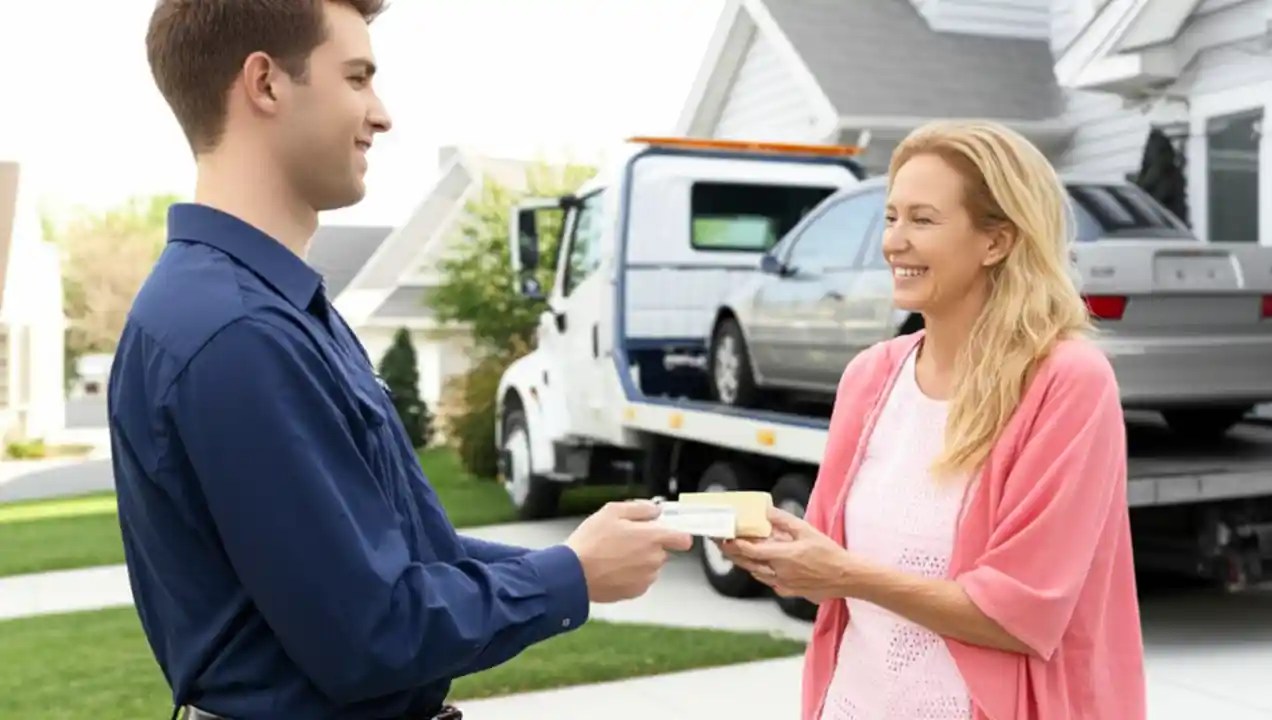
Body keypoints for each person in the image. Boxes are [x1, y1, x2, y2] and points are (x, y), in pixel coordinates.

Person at [109, 2, 692, 719]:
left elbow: (400, 556)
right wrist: (569, 577)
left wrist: (578, 553)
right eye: (357, 78)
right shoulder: (235, 332)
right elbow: (374, 633)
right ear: (264, 83)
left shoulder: (274, 307)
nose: (380, 114)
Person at [720, 120, 1146, 719]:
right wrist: (780, 551)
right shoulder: (871, 376)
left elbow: (1020, 615)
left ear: (995, 242)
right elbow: (821, 578)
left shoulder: (1066, 383)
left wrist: (844, 573)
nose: (894, 241)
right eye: (891, 217)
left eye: (922, 220)